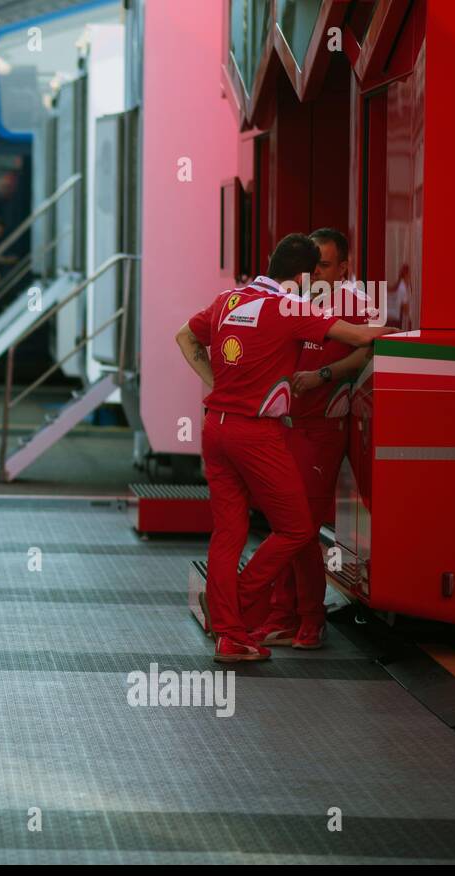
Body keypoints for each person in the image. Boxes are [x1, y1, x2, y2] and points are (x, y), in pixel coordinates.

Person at [174, 233, 390, 663]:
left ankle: (231, 635)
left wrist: (221, 385)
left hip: (215, 427)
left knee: (228, 535)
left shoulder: (228, 300)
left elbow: (185, 337)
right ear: (303, 275)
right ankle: (236, 606)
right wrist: (409, 335)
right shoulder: (290, 307)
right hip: (257, 434)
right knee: (295, 529)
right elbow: (360, 337)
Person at [256, 228, 376, 650]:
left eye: (324, 265)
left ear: (344, 267)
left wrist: (324, 375)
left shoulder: (357, 304)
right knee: (283, 522)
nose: (315, 273)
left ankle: (310, 618)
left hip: (324, 427)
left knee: (301, 528)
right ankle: (284, 613)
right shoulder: (293, 300)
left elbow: (371, 347)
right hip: (283, 426)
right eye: (311, 266)